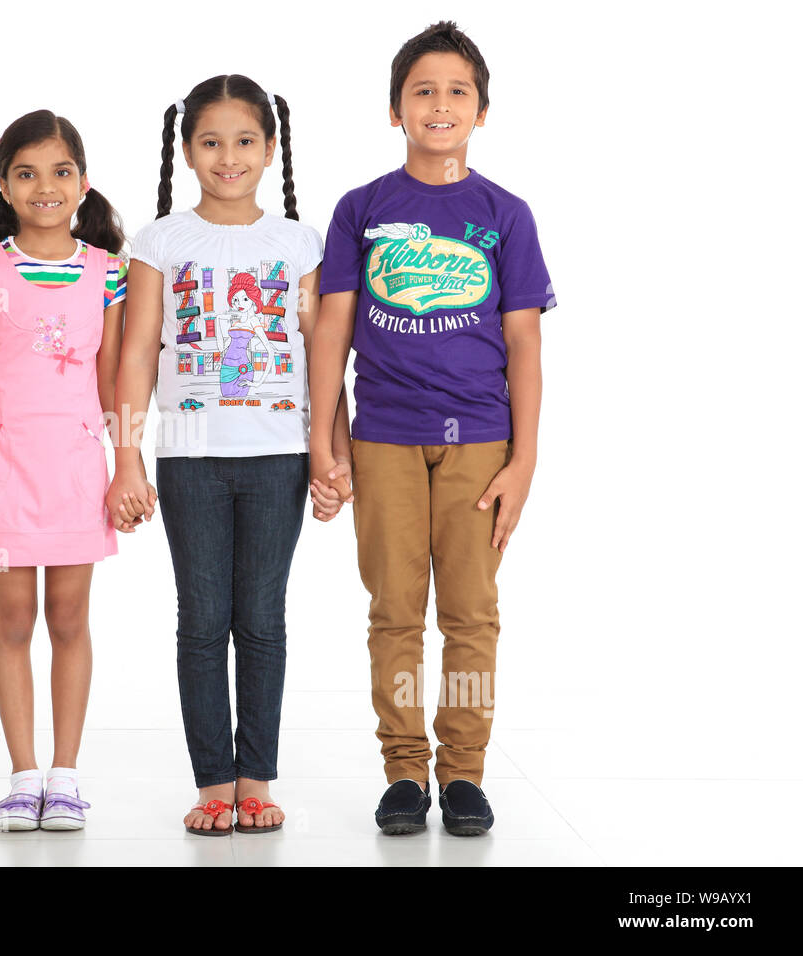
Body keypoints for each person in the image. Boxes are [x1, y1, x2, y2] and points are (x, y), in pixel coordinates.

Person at [309, 21, 556, 836]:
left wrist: (523, 461)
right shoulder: (363, 210)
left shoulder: (504, 215)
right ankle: (406, 770)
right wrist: (327, 440)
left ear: (481, 110)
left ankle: (466, 773)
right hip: (382, 436)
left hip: (481, 441)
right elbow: (331, 334)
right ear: (395, 110)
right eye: (423, 90)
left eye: (457, 91)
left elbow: (524, 343)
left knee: (472, 615)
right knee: (394, 611)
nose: (440, 104)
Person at [110, 74, 352, 836]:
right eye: (210, 141)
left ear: (271, 147)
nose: (228, 156)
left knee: (264, 622)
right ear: (186, 150)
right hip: (190, 460)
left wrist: (329, 455)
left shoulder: (299, 243)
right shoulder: (159, 242)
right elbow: (137, 356)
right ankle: (214, 781)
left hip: (279, 456)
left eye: (245, 140)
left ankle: (258, 777)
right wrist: (127, 459)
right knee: (202, 620)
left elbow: (325, 359)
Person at [0, 110, 127, 832]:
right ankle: (23, 774)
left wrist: (129, 465)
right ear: (4, 185)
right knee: (13, 619)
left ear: (82, 182)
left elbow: (114, 379)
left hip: (81, 469)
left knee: (70, 618)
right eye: (27, 173)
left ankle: (67, 774)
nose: (44, 187)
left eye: (59, 172)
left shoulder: (109, 273)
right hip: (7, 469)